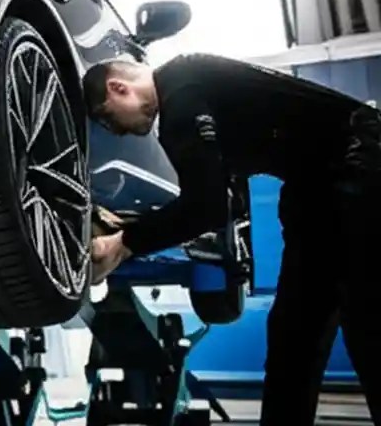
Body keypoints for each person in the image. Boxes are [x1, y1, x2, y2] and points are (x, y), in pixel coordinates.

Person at [81, 52, 377, 425]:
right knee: (294, 335)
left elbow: (205, 207)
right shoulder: (190, 87)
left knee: (366, 320)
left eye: (108, 118)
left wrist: (125, 243)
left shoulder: (181, 91)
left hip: (361, 162)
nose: (116, 131)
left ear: (118, 87)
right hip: (317, 184)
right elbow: (214, 200)